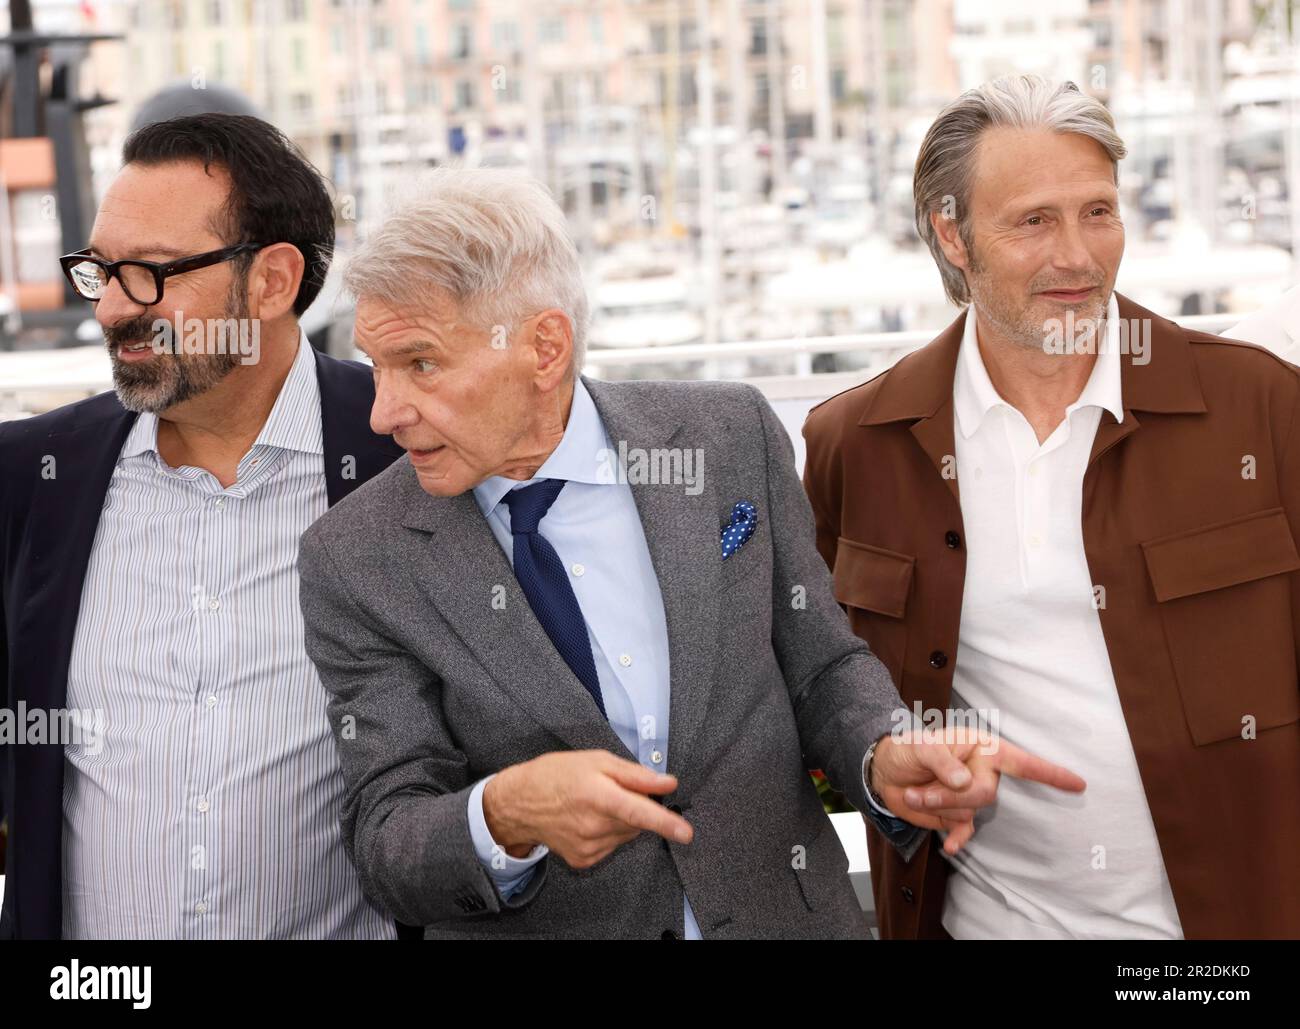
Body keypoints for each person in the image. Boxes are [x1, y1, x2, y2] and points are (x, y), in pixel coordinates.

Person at [297, 167, 1084, 939]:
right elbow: (386, 838)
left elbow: (821, 666)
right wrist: (502, 814)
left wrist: (884, 753)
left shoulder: (727, 437)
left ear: (544, 348)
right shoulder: (355, 557)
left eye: (421, 364)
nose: (382, 412)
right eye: (376, 366)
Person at [803, 75, 1300, 939]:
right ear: (952, 235)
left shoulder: (1262, 406)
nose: (1078, 256)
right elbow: (813, 691)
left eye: (1098, 212)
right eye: (1035, 220)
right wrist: (882, 762)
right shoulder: (855, 442)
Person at [0, 114, 403, 938]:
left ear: (272, 281)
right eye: (101, 271)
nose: (113, 308)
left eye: (149, 273)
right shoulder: (28, 479)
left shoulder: (408, 452)